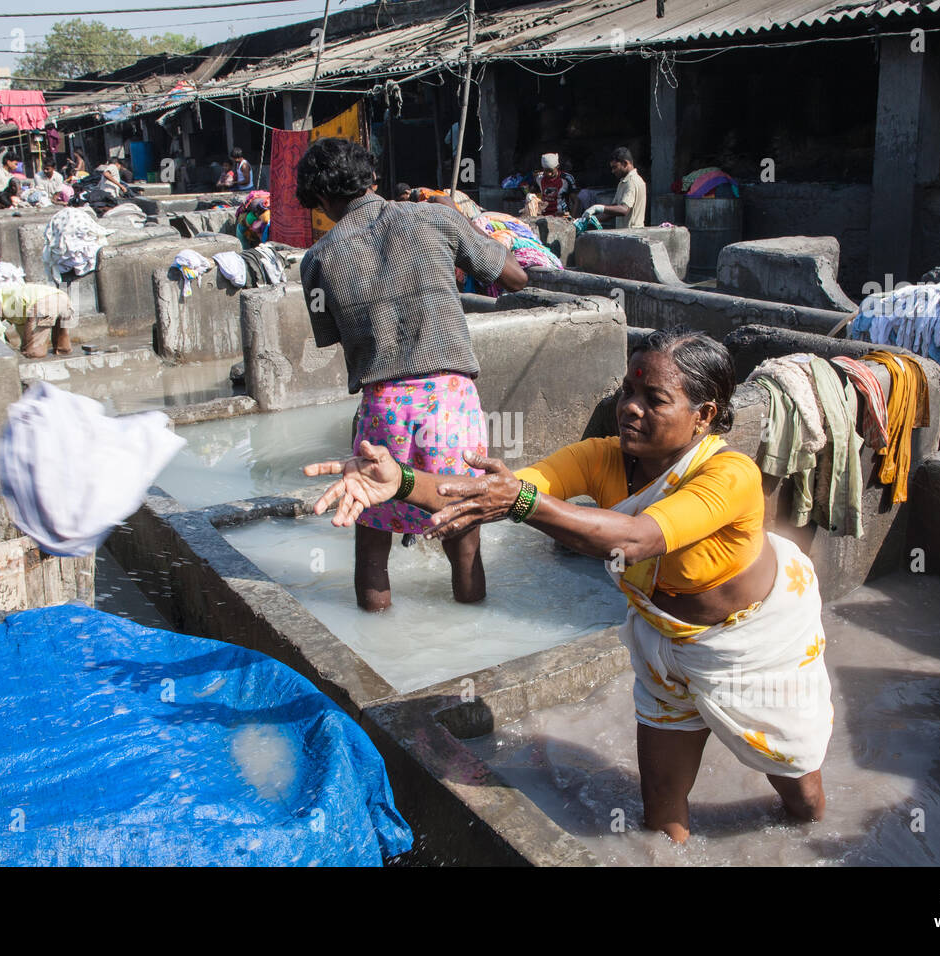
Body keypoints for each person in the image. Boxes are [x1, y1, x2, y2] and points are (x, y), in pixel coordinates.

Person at [303, 330, 833, 842]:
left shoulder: (730, 474)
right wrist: (404, 481)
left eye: (655, 399)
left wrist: (521, 503)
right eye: (628, 391)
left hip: (752, 643)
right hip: (664, 639)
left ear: (705, 416)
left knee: (799, 793)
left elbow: (637, 538)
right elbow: (494, 492)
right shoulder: (602, 457)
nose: (631, 407)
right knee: (660, 811)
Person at [295, 137, 529, 612]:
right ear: (373, 180)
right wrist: (456, 215)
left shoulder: (317, 259)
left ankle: (376, 646)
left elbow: (335, 335)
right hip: (450, 400)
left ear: (319, 200)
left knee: (372, 535)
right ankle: (473, 628)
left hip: (383, 405)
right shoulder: (434, 217)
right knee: (462, 530)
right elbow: (515, 278)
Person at [582, 146, 646, 228]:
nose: (613, 171)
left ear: (625, 163)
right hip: (625, 233)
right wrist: (589, 220)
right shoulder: (623, 182)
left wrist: (598, 207)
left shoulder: (632, 181)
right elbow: (612, 212)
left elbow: (624, 210)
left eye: (615, 167)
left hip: (633, 232)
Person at [534, 153, 578, 217]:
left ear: (557, 167)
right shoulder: (539, 178)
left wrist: (572, 218)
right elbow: (533, 194)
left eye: (551, 171)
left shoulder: (567, 179)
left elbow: (576, 201)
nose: (549, 174)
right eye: (546, 171)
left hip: (561, 215)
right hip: (543, 215)